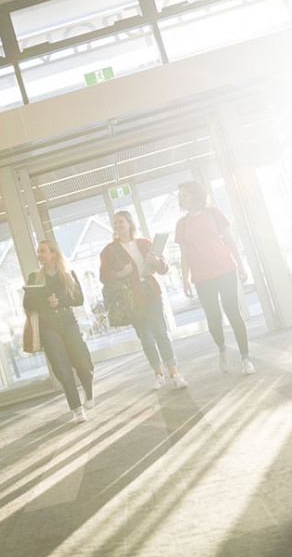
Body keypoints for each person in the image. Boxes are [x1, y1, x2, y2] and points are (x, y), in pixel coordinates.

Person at [100, 211, 188, 390]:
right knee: (146, 338)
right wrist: (120, 273)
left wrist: (154, 261)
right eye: (115, 223)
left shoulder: (143, 243)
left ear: (130, 224)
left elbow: (164, 268)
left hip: (151, 293)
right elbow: (103, 276)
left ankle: (174, 374)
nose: (117, 225)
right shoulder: (109, 251)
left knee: (161, 334)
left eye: (121, 222)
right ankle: (158, 374)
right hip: (131, 298)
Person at [174, 181, 255, 374]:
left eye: (184, 194)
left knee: (233, 311)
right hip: (202, 276)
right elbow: (184, 255)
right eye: (180, 195)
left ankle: (246, 358)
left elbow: (229, 240)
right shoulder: (182, 224)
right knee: (213, 318)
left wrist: (241, 265)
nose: (181, 197)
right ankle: (222, 348)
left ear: (195, 195)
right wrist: (185, 279)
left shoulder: (214, 213)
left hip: (225, 269)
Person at [23, 239, 95, 423]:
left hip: (68, 323)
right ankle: (77, 410)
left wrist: (60, 302)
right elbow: (27, 303)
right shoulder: (34, 277)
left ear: (53, 254)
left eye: (43, 251)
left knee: (84, 364)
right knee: (63, 369)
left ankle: (88, 390)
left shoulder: (68, 274)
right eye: (38, 252)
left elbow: (78, 299)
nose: (39, 255)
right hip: (48, 328)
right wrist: (46, 302)